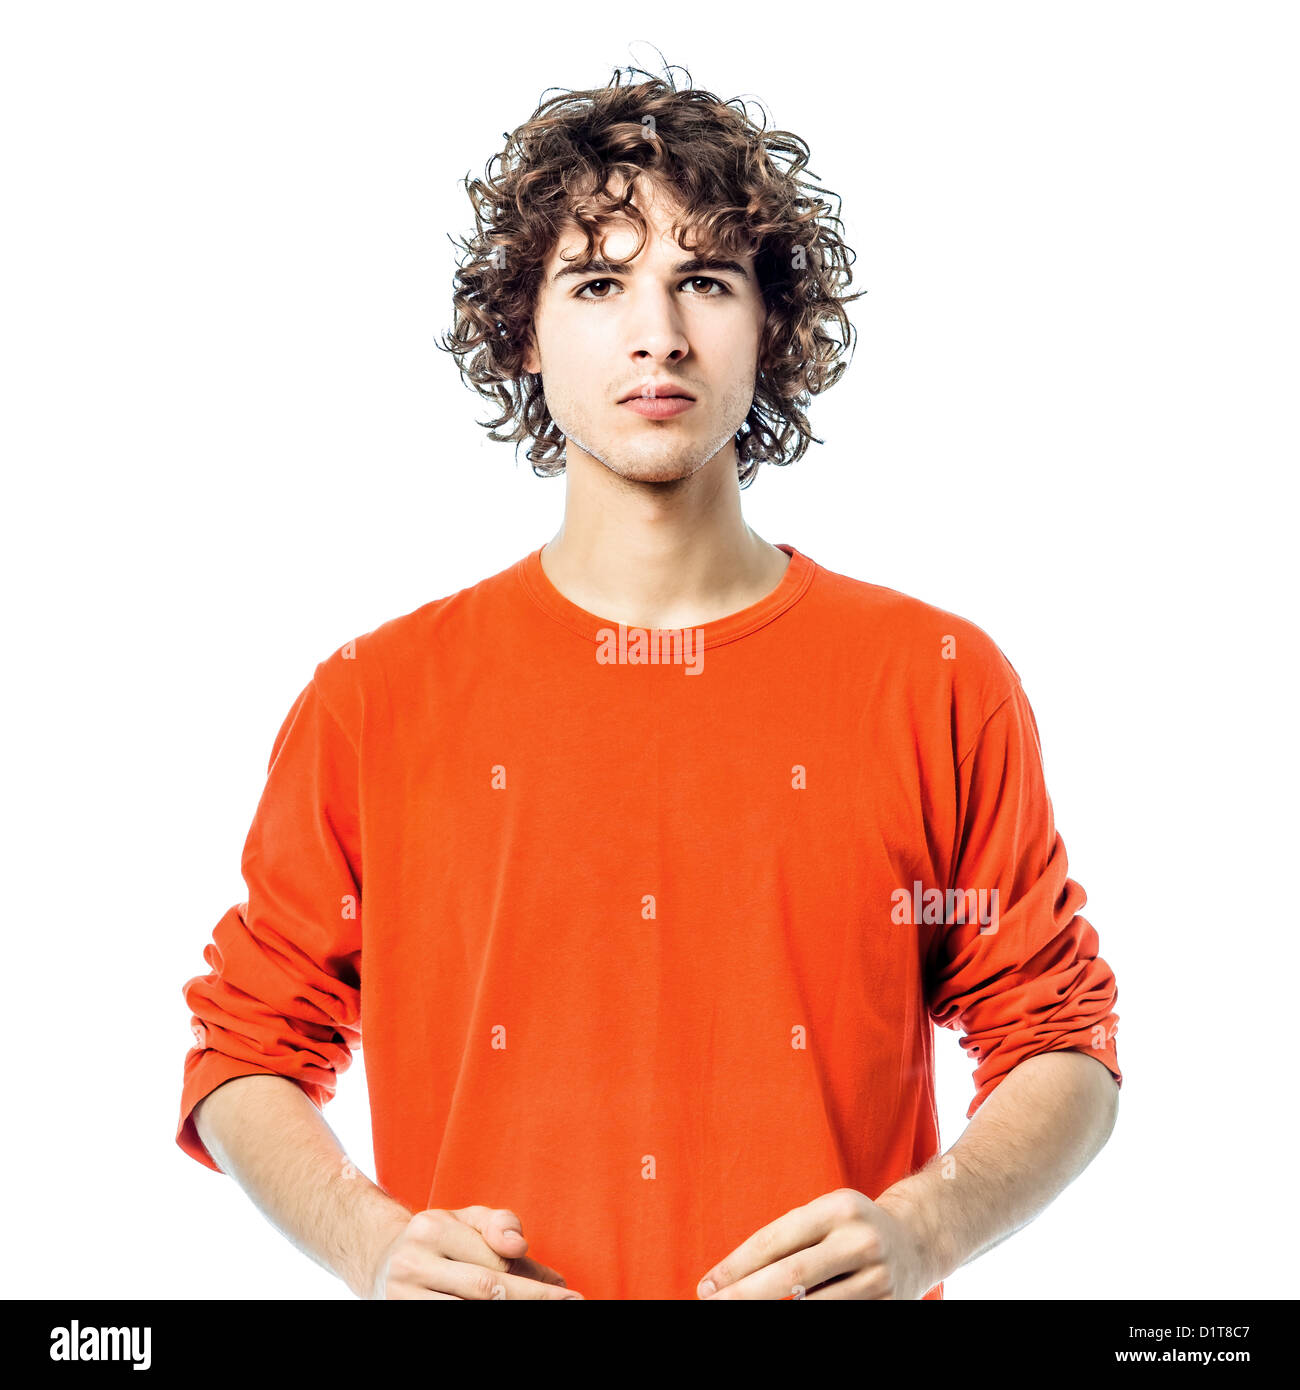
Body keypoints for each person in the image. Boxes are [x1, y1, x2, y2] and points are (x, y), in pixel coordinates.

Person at [176, 65, 1121, 1301]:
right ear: (525, 324)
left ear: (769, 323)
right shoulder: (374, 697)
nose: (657, 334)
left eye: (706, 281)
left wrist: (926, 1231)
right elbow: (244, 1047)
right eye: (599, 280)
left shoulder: (934, 679)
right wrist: (367, 1241)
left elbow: (1059, 1039)